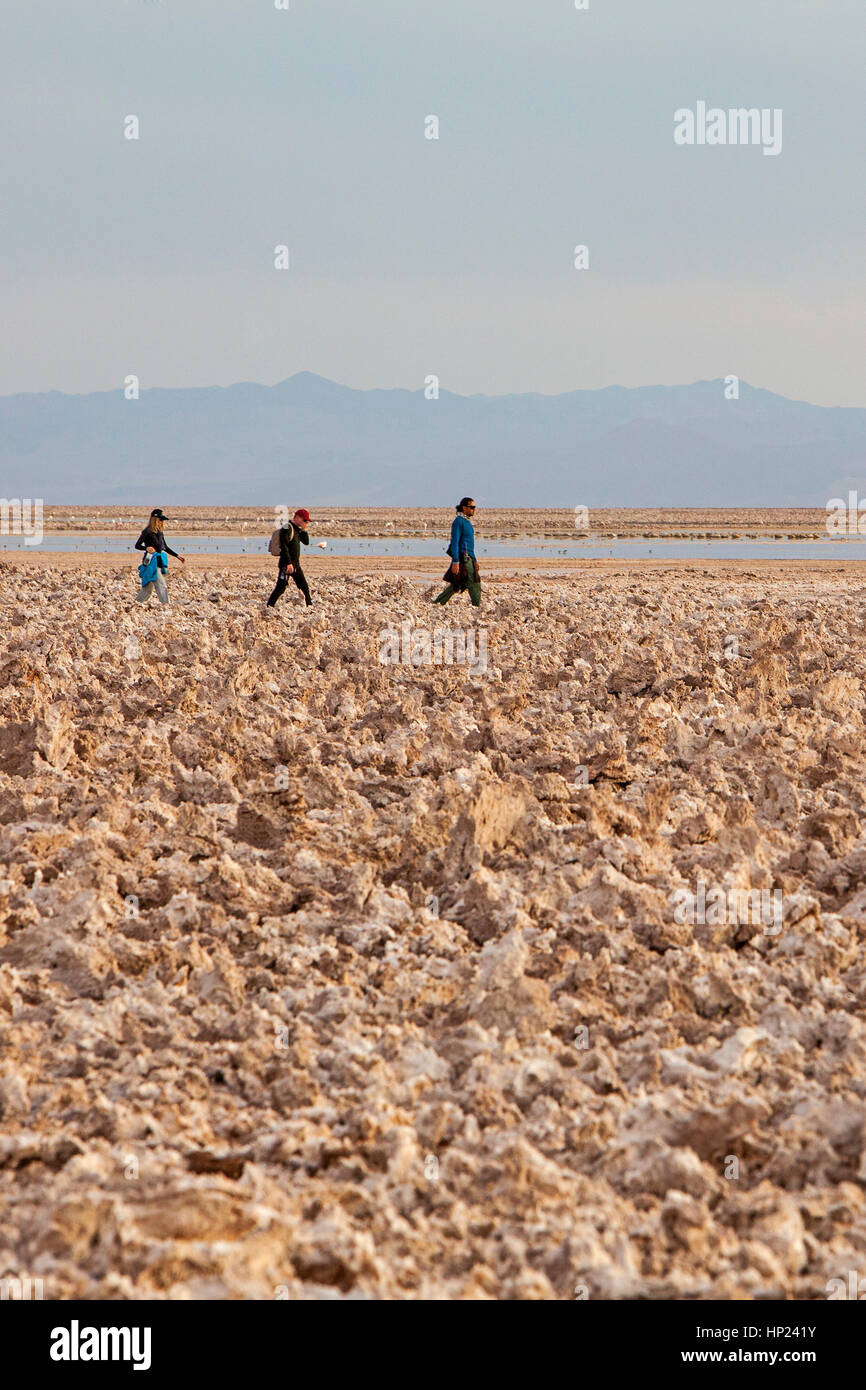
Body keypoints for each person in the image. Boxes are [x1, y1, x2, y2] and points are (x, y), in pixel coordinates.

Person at [434, 497, 481, 607]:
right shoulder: (459, 522)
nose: (474, 509)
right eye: (471, 507)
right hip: (463, 558)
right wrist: (455, 561)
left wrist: (475, 560)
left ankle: (438, 603)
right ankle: (477, 607)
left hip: (469, 557)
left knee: (458, 583)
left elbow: (469, 545)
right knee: (474, 582)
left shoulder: (467, 522)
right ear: (464, 508)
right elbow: (455, 542)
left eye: (474, 507)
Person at [267, 508, 313, 608]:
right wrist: (288, 563)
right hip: (286, 565)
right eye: (304, 520)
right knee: (281, 587)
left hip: (295, 564)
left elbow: (306, 542)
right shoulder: (287, 528)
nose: (306, 522)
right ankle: (269, 606)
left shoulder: (297, 530)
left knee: (304, 586)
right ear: (298, 518)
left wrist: (303, 530)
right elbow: (284, 546)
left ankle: (310, 607)